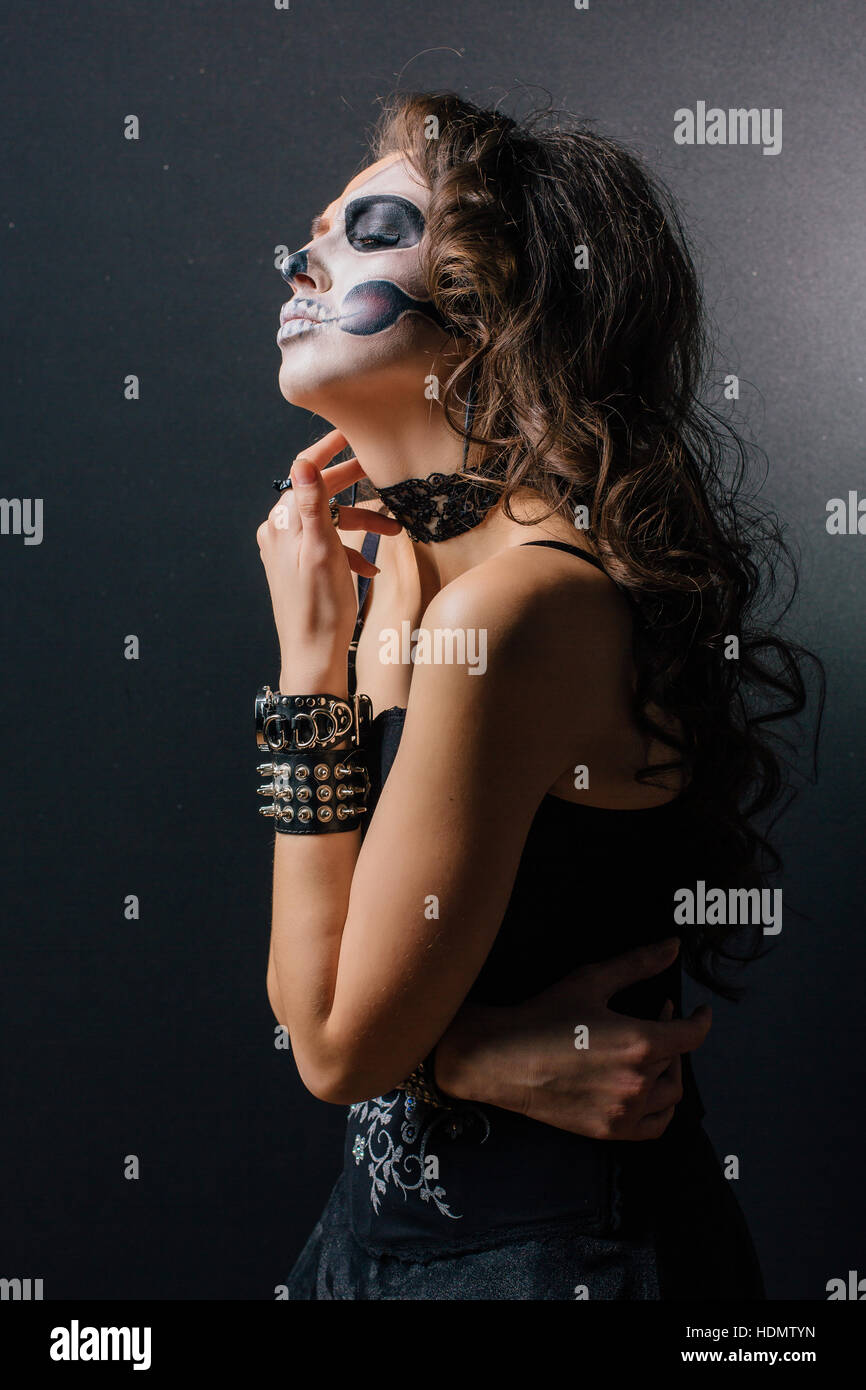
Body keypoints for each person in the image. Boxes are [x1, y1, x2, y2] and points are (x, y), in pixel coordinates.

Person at [257, 92, 820, 1299]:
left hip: (548, 1264)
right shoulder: (404, 571)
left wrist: (310, 661)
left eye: (365, 225)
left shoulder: (513, 611)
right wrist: (463, 1060)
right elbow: (337, 1007)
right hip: (364, 1247)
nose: (307, 255)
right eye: (312, 233)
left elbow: (332, 1044)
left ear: (487, 305)